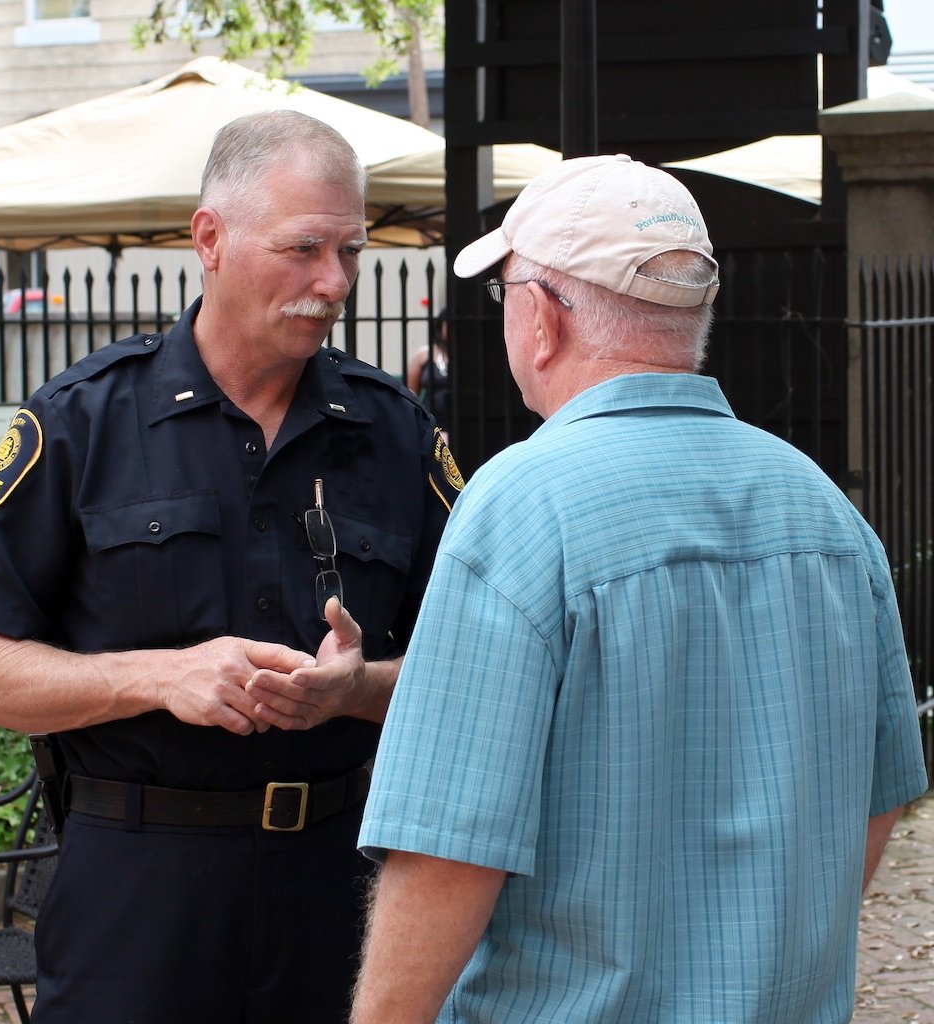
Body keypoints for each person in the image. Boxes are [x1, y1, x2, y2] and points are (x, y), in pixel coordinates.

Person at [350, 154, 928, 1024]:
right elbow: (882, 797)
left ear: (540, 317)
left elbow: (445, 853)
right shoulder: (827, 512)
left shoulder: (518, 508)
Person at [0, 110, 461, 1024]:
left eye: (350, 251)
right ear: (209, 239)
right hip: (135, 892)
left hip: (340, 887)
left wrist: (358, 689)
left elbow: (473, 676)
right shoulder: (81, 422)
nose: (333, 283)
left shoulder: (396, 432)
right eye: (302, 249)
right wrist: (161, 676)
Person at [407, 307, 450, 434]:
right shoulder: (424, 354)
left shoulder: (471, 354)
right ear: (440, 326)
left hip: (462, 423)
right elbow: (411, 390)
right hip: (430, 424)